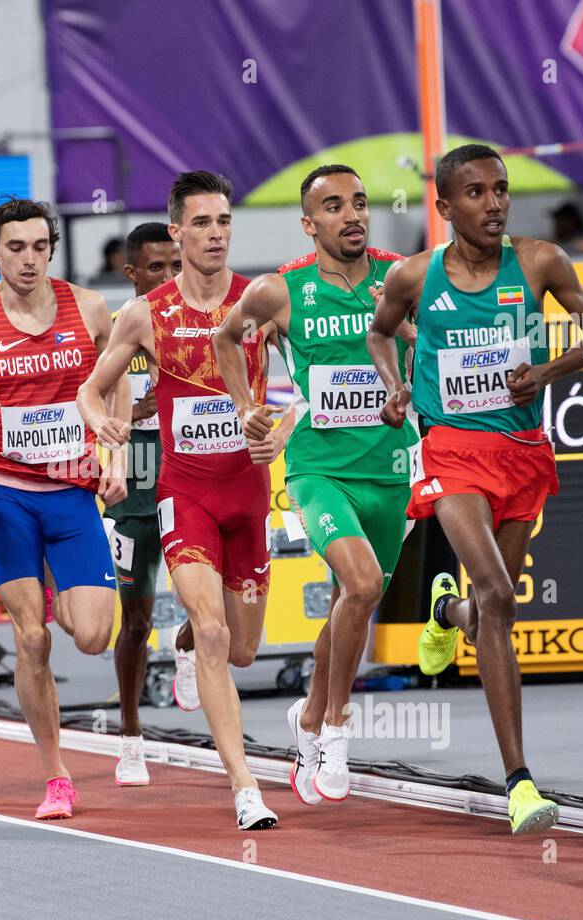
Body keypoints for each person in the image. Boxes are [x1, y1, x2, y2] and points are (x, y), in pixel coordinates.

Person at [366, 144, 583, 835]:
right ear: (444, 206)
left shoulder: (541, 262)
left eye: (500, 189)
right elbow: (381, 335)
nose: (494, 203)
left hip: (522, 453)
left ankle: (446, 613)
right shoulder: (415, 275)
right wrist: (396, 387)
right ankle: (520, 782)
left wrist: (547, 372)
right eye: (476, 193)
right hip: (451, 450)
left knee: (490, 611)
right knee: (499, 595)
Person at [79, 170, 279, 831]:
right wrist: (104, 425)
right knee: (219, 634)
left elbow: (314, 378)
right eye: (201, 223)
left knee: (241, 648)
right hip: (185, 492)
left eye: (223, 221)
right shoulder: (145, 314)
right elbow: (90, 388)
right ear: (177, 231)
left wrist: (282, 430)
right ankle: (245, 787)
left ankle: (189, 641)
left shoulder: (261, 299)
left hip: (248, 494)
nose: (215, 234)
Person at [0, 197, 126, 821]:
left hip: (73, 492)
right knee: (31, 639)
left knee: (92, 636)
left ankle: (58, 584)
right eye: (16, 248)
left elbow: (118, 381)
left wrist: (116, 456)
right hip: (5, 494)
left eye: (40, 246)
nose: (30, 259)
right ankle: (56, 776)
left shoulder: (90, 308)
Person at [216, 164, 418, 806]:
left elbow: (439, 349)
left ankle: (305, 717)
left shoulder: (403, 276)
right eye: (333, 206)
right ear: (309, 223)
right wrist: (247, 407)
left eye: (359, 202)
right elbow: (226, 338)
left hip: (391, 467)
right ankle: (335, 728)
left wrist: (411, 351)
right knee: (361, 585)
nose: (351, 215)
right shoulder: (281, 291)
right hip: (318, 468)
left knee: (352, 601)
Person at [105, 222, 181, 786]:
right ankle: (131, 738)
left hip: (188, 478)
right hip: (131, 493)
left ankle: (189, 645)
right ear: (132, 273)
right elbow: (83, 407)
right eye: (157, 268)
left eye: (176, 266)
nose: (169, 277)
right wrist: (135, 412)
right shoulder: (110, 332)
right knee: (136, 622)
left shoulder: (201, 327)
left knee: (219, 603)